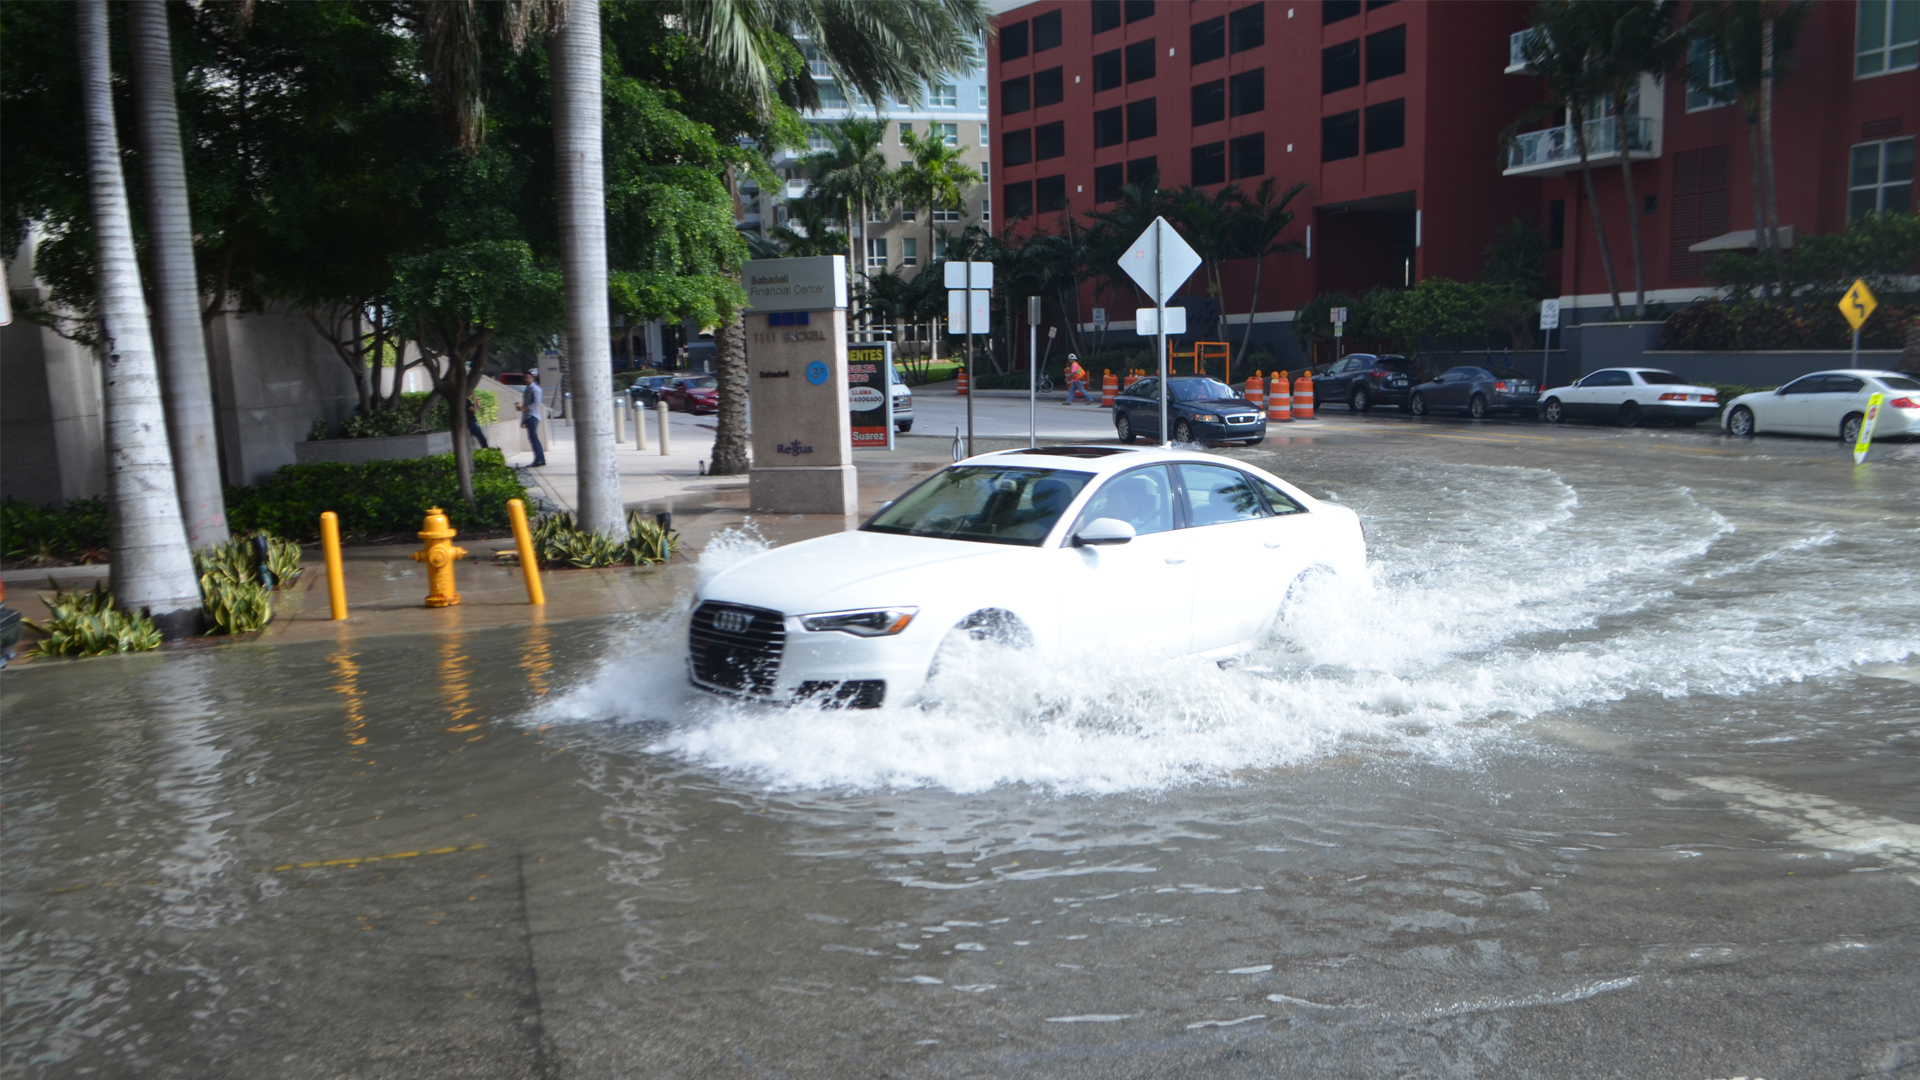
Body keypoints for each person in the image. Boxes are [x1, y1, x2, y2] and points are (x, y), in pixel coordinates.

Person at [515, 369, 546, 467]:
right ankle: (540, 459)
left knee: (533, 438)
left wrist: (523, 408)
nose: (526, 379)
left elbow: (536, 403)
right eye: (525, 378)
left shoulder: (535, 389)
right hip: (528, 417)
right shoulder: (528, 388)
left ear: (533, 378)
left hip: (533, 416)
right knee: (533, 438)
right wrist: (523, 419)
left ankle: (539, 459)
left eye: (528, 378)